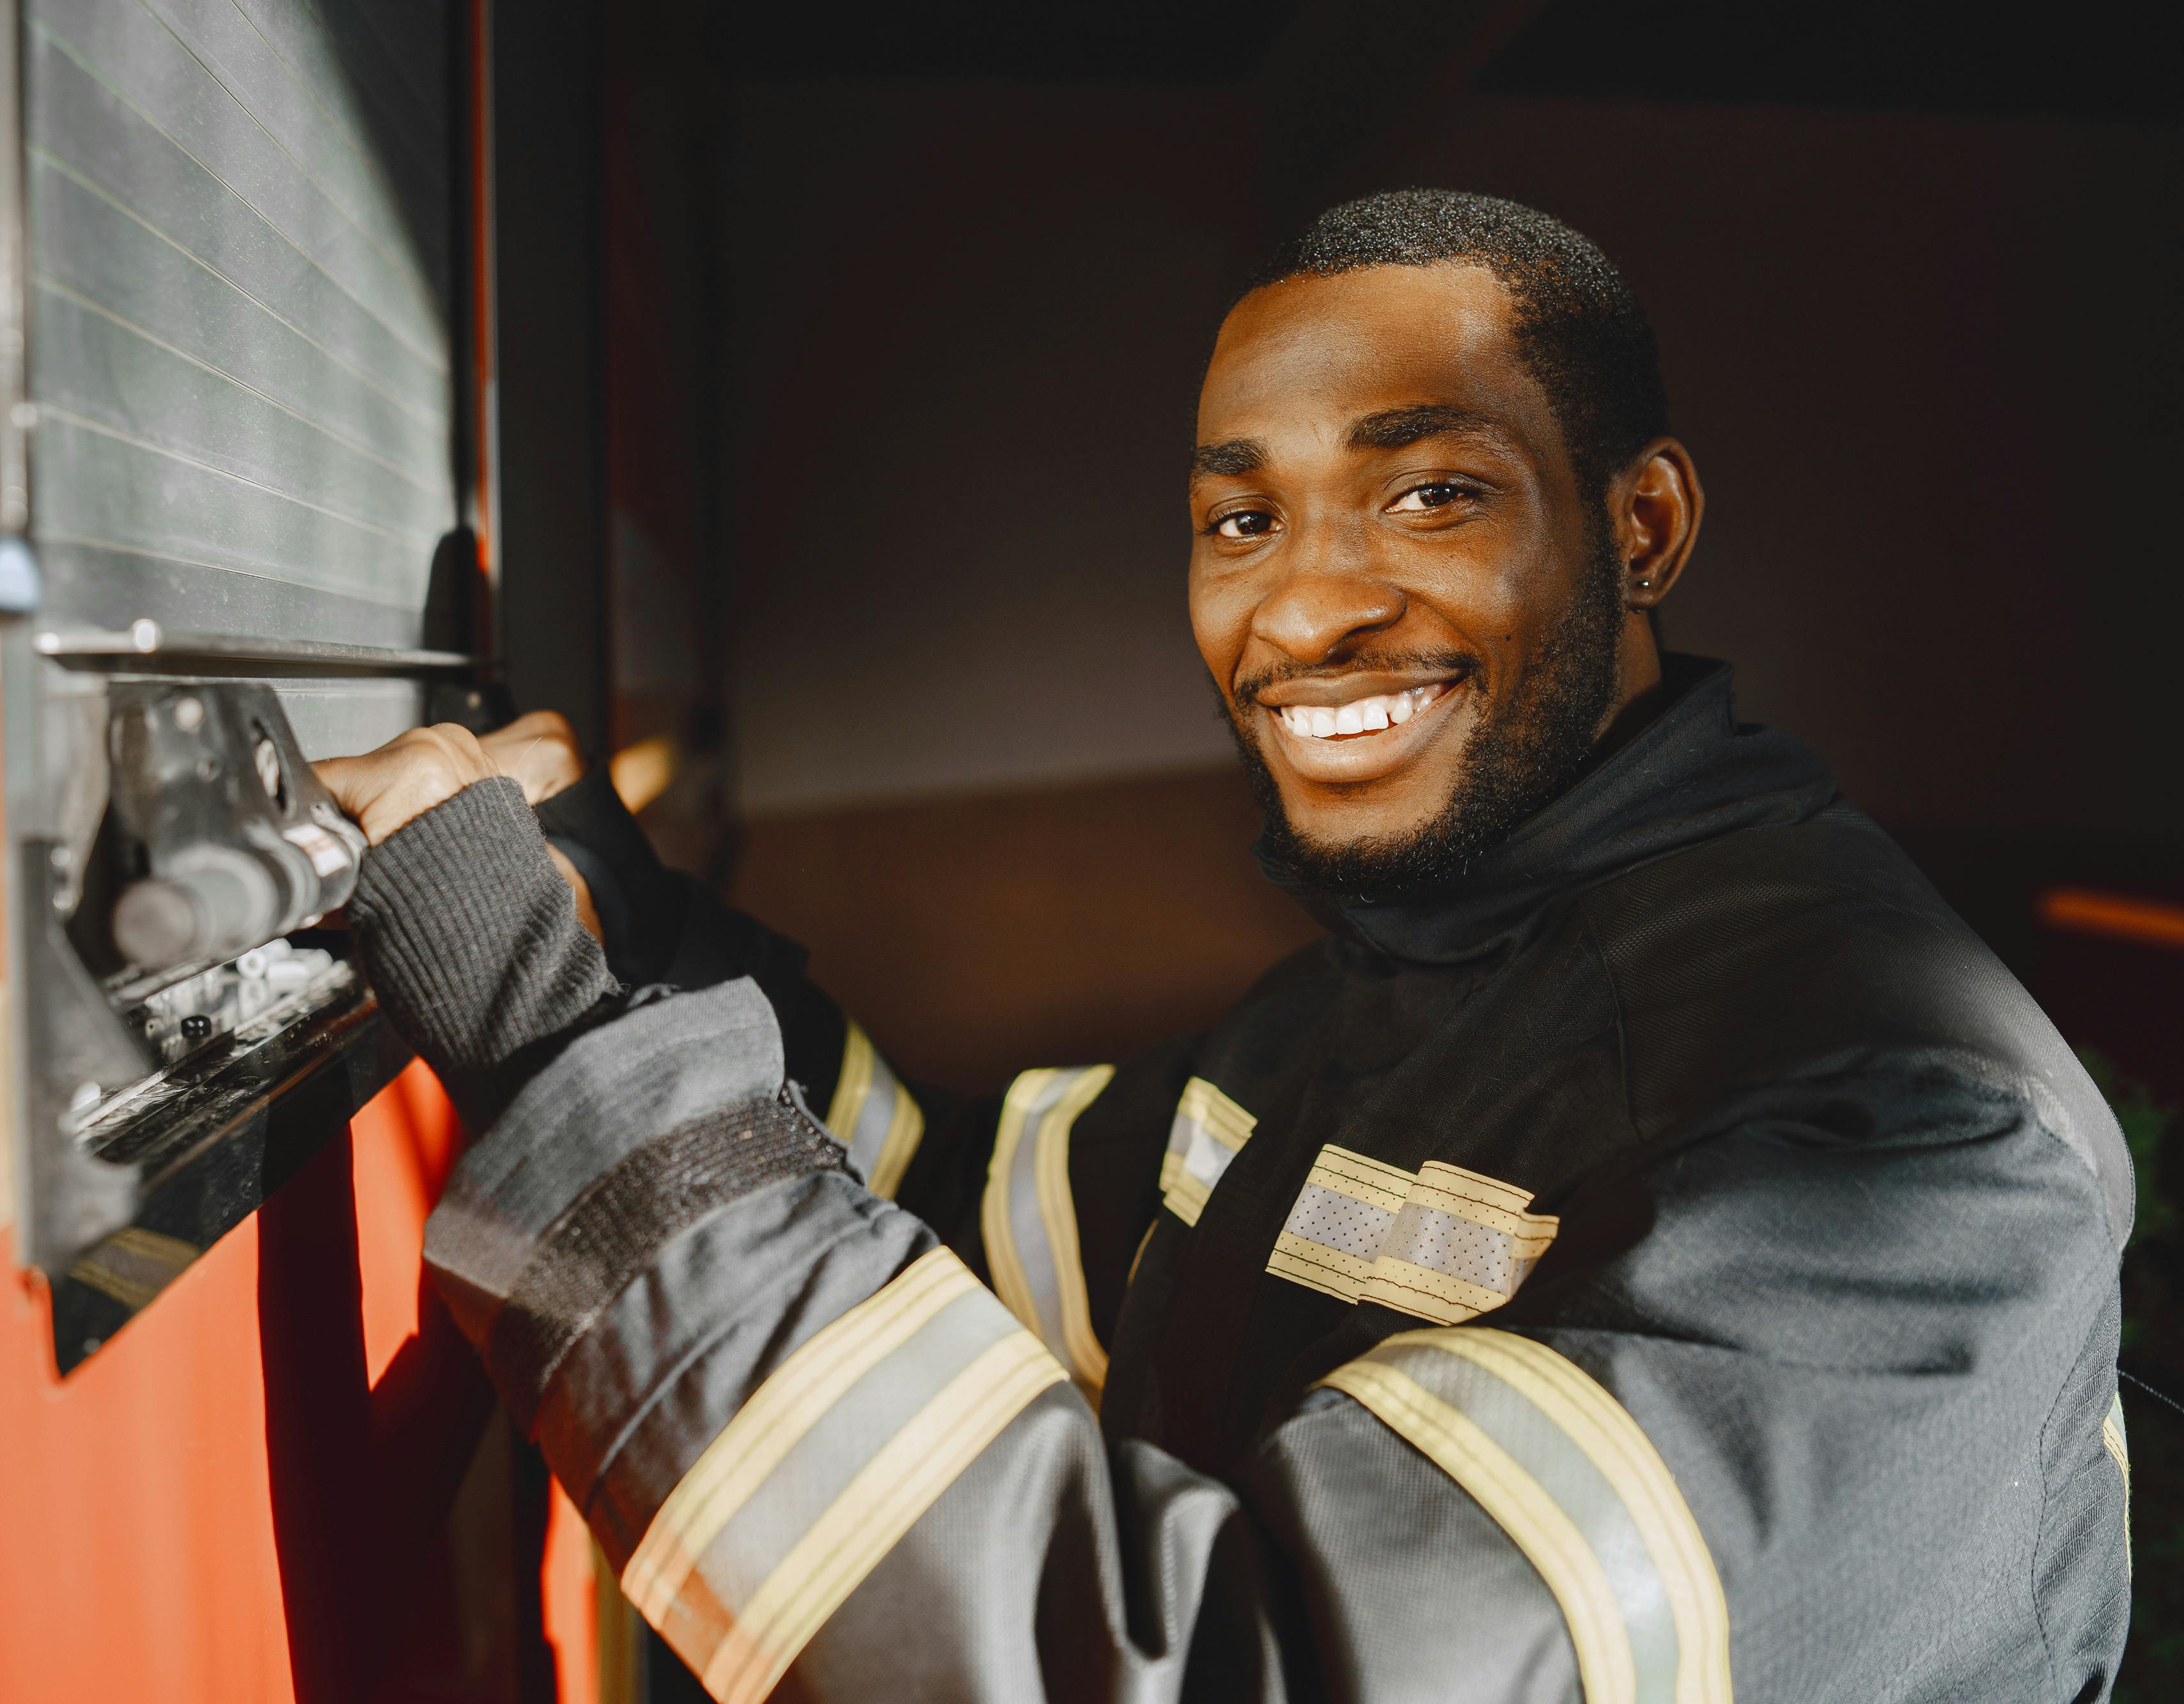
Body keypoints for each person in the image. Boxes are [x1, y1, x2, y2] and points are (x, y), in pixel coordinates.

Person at [316, 190, 2133, 1701]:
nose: (1306, 603)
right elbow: (949, 1207)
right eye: (1240, 518)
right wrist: (621, 919)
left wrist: (562, 1051)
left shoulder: (1912, 1145)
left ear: (1639, 527)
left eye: (1430, 493)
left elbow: (1228, 1668)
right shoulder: (1402, 973)